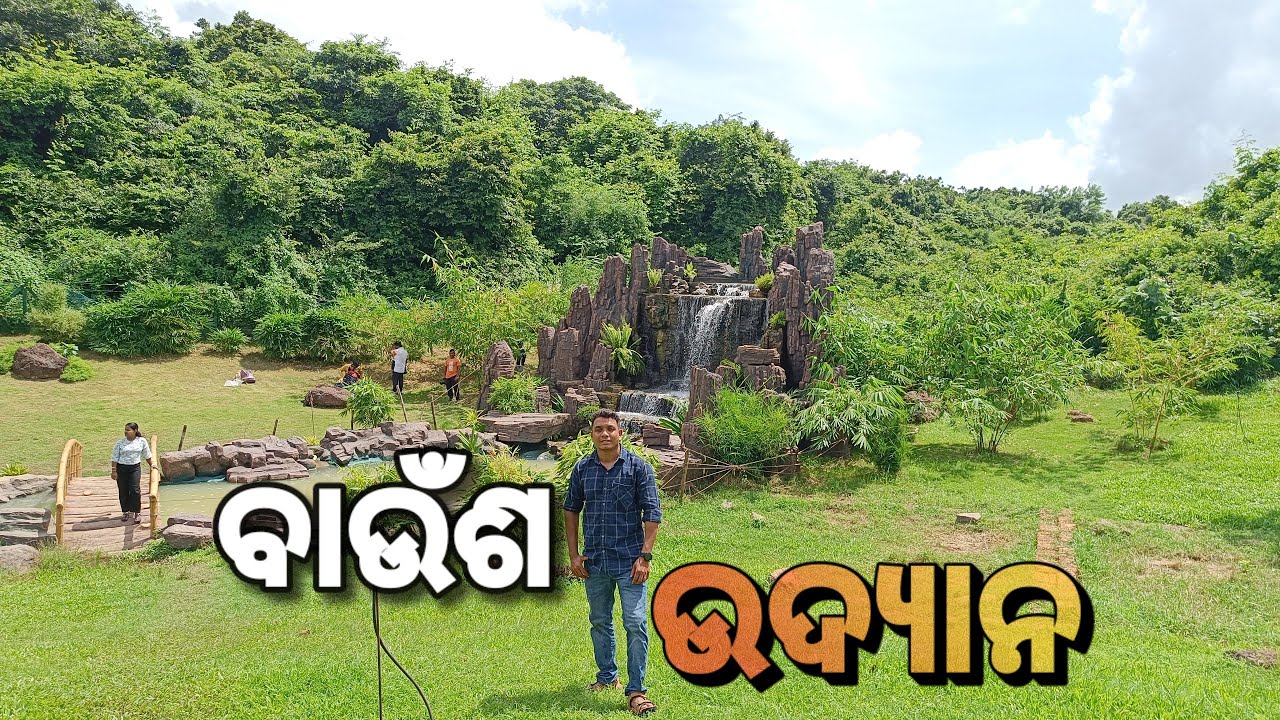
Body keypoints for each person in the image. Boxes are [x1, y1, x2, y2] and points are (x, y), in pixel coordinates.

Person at [563, 409, 661, 717]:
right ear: (591, 435)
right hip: (596, 561)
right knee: (599, 621)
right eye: (598, 430)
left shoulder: (638, 469)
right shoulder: (582, 469)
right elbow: (571, 510)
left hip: (630, 561)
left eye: (610, 429)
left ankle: (636, 690)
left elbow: (652, 514)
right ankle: (607, 676)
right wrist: (573, 554)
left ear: (620, 433)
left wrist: (645, 557)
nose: (605, 434)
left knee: (635, 622)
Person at [111, 422, 157, 524]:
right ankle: (125, 511)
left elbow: (147, 455)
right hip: (121, 468)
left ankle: (137, 512)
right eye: (125, 430)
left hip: (134, 468)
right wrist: (114, 471)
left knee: (135, 490)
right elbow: (114, 457)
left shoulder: (141, 441)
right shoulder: (120, 443)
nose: (125, 432)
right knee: (123, 490)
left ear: (135, 431)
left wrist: (152, 465)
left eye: (128, 430)